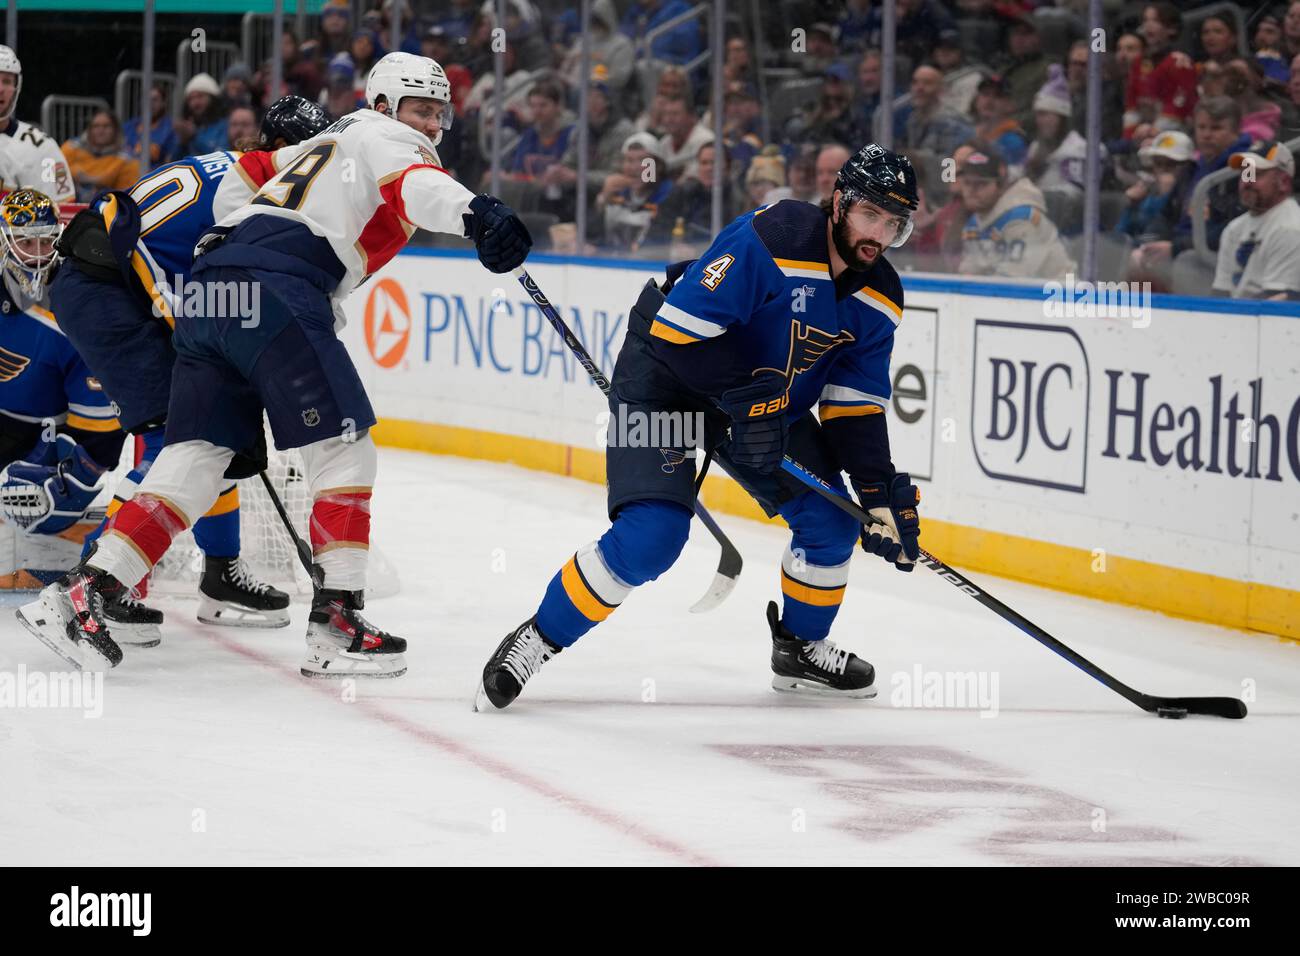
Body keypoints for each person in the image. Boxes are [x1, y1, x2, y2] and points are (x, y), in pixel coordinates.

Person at [19, 55, 533, 676]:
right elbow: (417, 185)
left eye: (438, 113)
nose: (430, 124)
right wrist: (476, 215)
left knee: (197, 456)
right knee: (344, 445)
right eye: (419, 110)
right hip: (270, 287)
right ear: (382, 105)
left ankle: (86, 595)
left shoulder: (326, 143)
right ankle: (338, 622)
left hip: (214, 288)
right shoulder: (381, 134)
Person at [476, 144, 924, 709]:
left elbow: (853, 408)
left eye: (894, 224)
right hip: (666, 376)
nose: (878, 234)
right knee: (652, 538)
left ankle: (799, 649)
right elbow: (676, 334)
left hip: (758, 400)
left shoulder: (881, 299)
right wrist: (748, 408)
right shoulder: (779, 236)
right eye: (870, 214)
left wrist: (879, 494)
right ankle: (536, 639)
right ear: (839, 202)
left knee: (833, 521)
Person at [43, 96, 331, 644]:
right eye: (304, 153)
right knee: (172, 441)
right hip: (103, 289)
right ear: (275, 148)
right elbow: (154, 269)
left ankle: (221, 573)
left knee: (210, 424)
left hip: (115, 285)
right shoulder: (245, 197)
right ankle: (100, 584)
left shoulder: (240, 172)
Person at [0, 190, 123, 580]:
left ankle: (66, 543)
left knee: (36, 495)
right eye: (24, 241)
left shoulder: (78, 304)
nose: (36, 252)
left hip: (51, 435)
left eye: (45, 240)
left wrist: (76, 476)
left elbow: (102, 429)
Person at [955, 143, 1075, 279]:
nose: (971, 191)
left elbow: (1013, 280)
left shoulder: (1023, 219)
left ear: (1001, 185)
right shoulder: (975, 222)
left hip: (1060, 296)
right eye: (967, 183)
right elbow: (969, 275)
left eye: (981, 184)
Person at [1213, 141, 1300, 300]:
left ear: (1284, 182)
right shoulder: (1234, 228)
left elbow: (1277, 303)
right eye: (1244, 173)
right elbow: (1221, 293)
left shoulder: (1291, 228)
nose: (1246, 182)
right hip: (1238, 318)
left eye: (1256, 174)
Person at [0, 45, 74, 204]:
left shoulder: (42, 149)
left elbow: (61, 214)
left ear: (16, 88)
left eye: (6, 81)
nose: (0, 89)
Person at [60, 109, 140, 204]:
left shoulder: (128, 161)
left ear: (115, 130)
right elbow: (56, 174)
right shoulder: (71, 148)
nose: (101, 131)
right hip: (67, 205)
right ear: (89, 130)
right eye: (96, 126)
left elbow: (126, 197)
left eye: (106, 126)